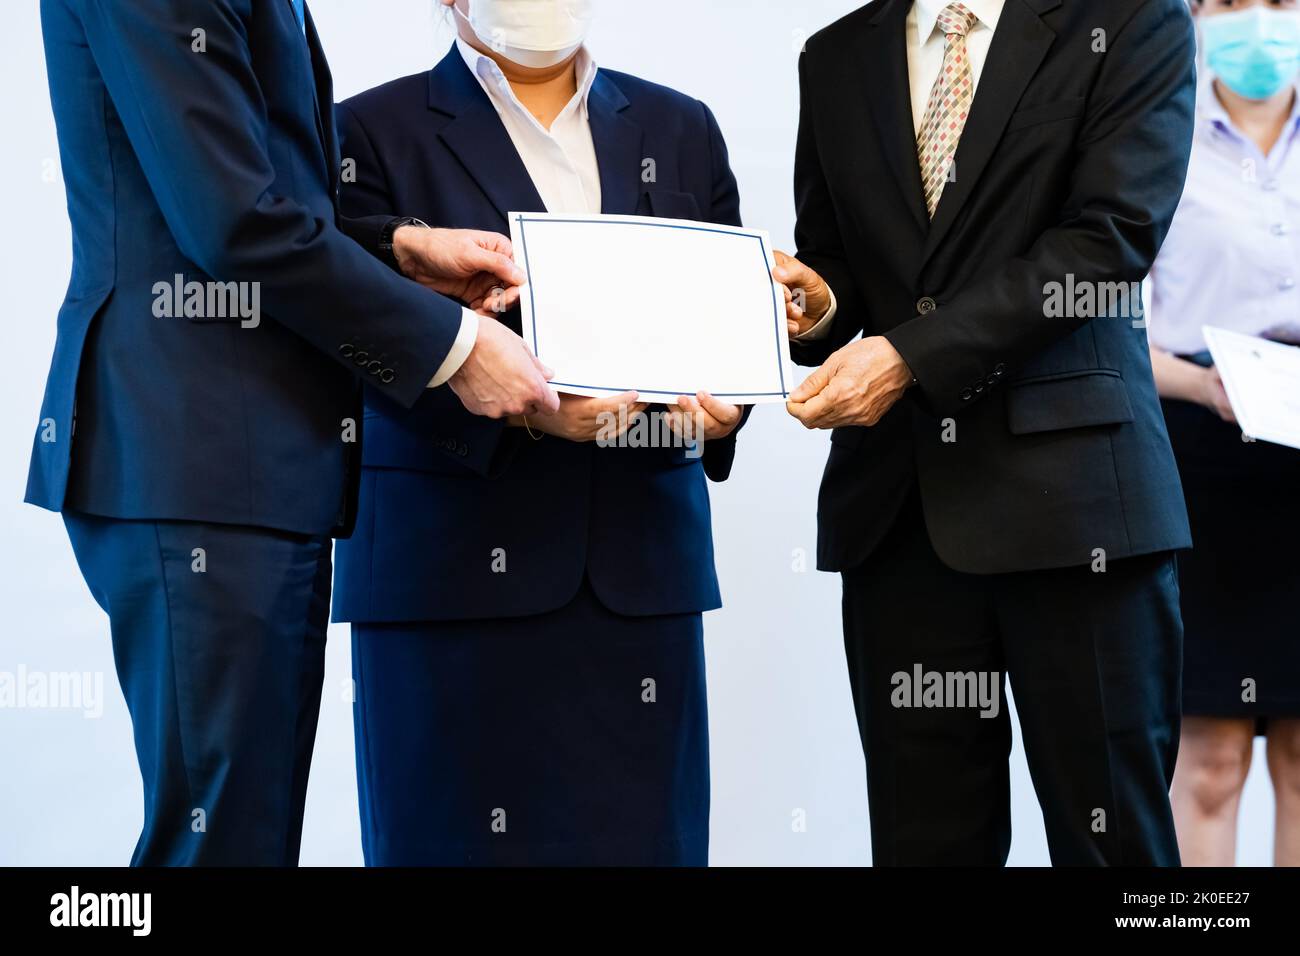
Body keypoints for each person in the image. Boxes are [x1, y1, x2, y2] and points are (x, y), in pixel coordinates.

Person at [28, 0, 559, 865]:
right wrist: (455, 348)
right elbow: (232, 223)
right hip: (197, 454)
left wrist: (403, 250)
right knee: (221, 844)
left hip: (248, 463)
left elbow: (255, 196)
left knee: (247, 838)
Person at [774, 0, 1197, 865]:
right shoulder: (834, 53)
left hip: (1079, 511)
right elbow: (838, 260)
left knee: (1114, 847)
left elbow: (1108, 239)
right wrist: (817, 307)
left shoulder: (1133, 18)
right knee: (923, 841)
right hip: (900, 516)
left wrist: (909, 358)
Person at [330, 0, 747, 865]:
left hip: (640, 580)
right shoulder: (363, 131)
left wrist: (728, 403)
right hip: (448, 575)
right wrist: (525, 409)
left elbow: (724, 328)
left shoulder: (681, 126)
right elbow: (341, 333)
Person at [1149, 0, 1300, 868]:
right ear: (1201, 12)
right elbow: (1114, 321)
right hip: (1205, 451)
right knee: (1207, 760)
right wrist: (1209, 385)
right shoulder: (1160, 137)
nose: (1261, 23)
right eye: (1237, 2)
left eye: (1280, 3)